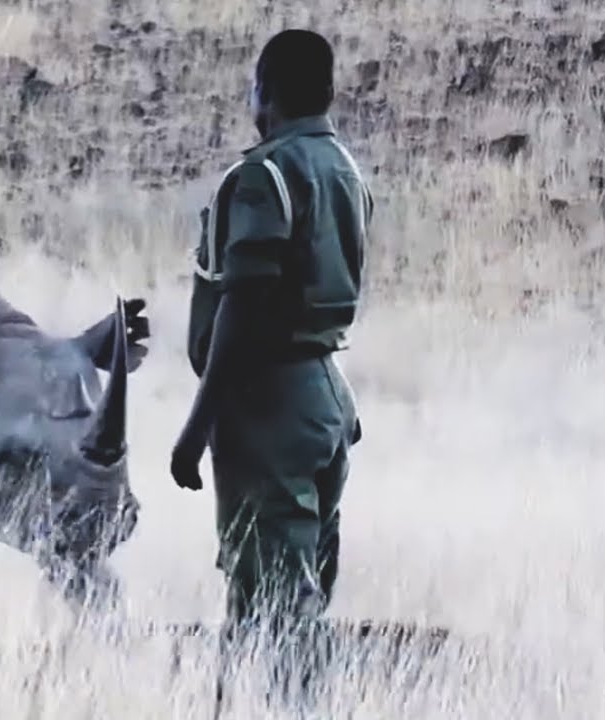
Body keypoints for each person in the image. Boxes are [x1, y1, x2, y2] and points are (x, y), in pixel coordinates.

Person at [171, 28, 372, 650]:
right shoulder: (344, 169)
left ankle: (285, 695)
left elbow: (243, 305)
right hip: (324, 396)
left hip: (269, 407)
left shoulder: (267, 175)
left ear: (265, 92)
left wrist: (198, 424)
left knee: (275, 608)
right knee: (300, 585)